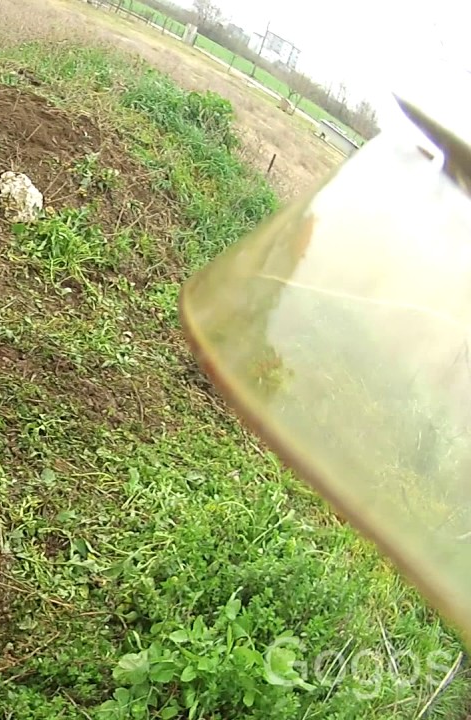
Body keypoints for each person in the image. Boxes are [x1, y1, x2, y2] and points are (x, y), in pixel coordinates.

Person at [179, 95, 471, 645]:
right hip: (267, 304)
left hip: (274, 303)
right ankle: (232, 371)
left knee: (257, 328)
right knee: (252, 329)